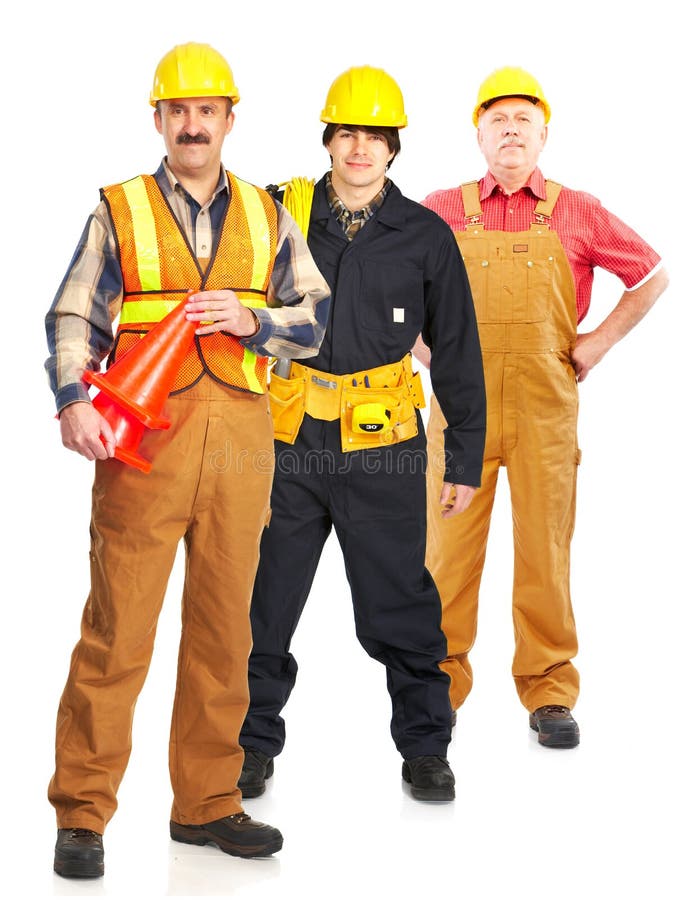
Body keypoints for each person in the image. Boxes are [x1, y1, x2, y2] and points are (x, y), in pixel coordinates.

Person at [44, 42, 330, 879]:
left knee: (224, 629)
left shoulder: (265, 214)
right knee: (118, 629)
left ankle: (206, 805)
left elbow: (313, 314)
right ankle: (83, 812)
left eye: (208, 111)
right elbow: (72, 313)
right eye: (178, 111)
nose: (193, 124)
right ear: (159, 120)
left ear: (229, 120)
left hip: (241, 440)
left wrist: (256, 325)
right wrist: (71, 400)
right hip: (142, 439)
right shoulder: (120, 208)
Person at [237, 65, 486, 802]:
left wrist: (463, 457)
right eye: (346, 133)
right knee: (265, 598)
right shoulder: (283, 212)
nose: (358, 149)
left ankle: (425, 746)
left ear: (392, 148)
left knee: (398, 600)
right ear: (328, 139)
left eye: (373, 136)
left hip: (383, 448)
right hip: (286, 442)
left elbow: (460, 349)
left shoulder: (423, 235)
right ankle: (248, 744)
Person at [414, 66, 668, 749]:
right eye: (497, 120)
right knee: (446, 553)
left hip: (545, 409)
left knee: (544, 552)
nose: (510, 130)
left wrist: (598, 343)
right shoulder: (441, 207)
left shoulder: (575, 210)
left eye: (522, 120)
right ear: (478, 133)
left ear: (542, 133)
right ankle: (435, 683)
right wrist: (420, 343)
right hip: (461, 412)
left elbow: (650, 274)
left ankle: (548, 687)